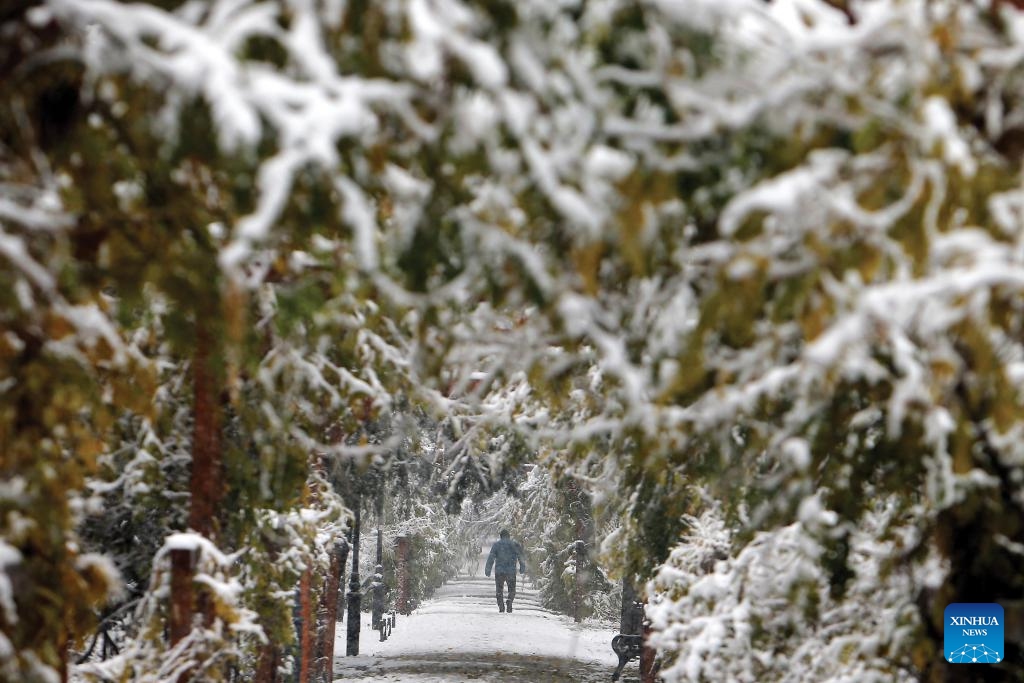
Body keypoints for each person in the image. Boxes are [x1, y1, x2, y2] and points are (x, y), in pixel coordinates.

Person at [484, 529, 526, 613]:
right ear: (508, 536)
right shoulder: (514, 544)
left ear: (501, 536)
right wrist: (522, 567)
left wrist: (488, 569)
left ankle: (501, 606)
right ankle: (509, 601)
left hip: (499, 571)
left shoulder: (496, 545)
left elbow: (491, 557)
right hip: (511, 571)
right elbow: (521, 557)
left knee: (499, 590)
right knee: (512, 589)